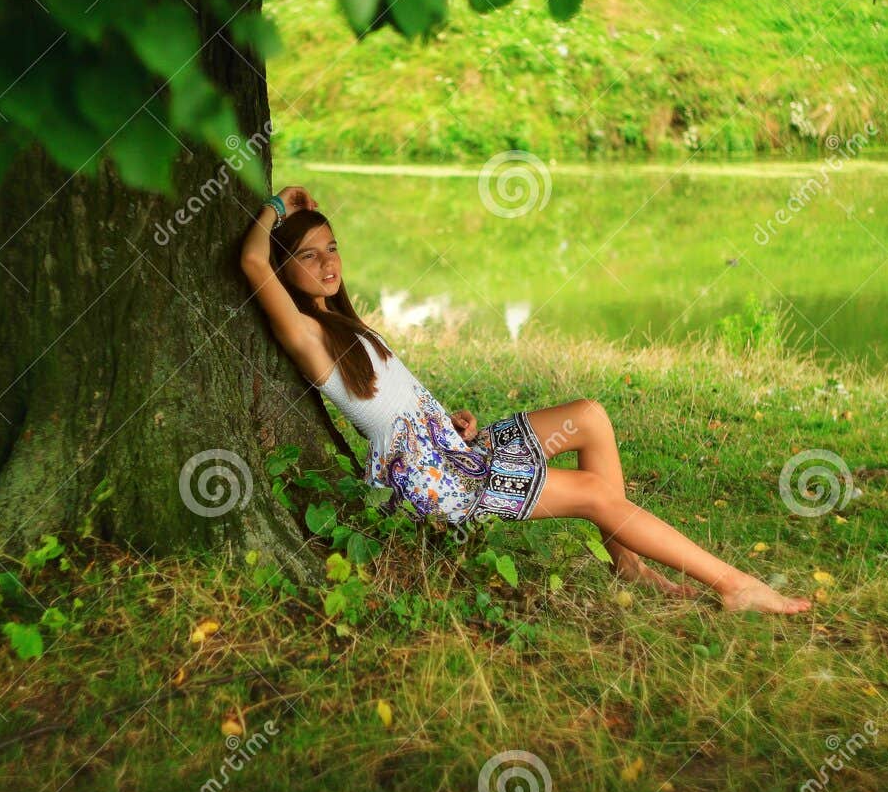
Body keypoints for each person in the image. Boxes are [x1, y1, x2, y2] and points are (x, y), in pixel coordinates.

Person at [239, 185, 812, 615]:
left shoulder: (342, 323)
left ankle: (629, 565)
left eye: (332, 248)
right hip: (436, 482)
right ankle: (734, 585)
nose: (328, 263)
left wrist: (448, 420)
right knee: (592, 493)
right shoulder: (306, 334)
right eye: (308, 256)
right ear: (285, 270)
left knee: (588, 417)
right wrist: (277, 204)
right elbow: (251, 261)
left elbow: (395, 402)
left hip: (455, 449)